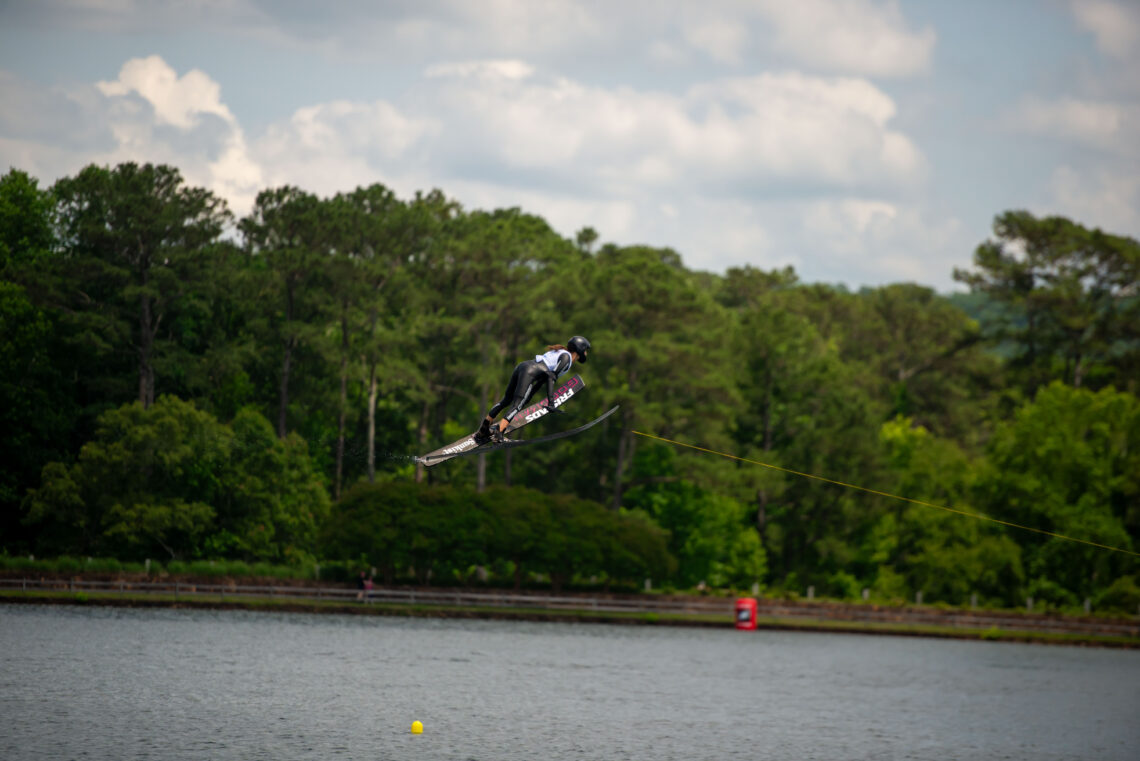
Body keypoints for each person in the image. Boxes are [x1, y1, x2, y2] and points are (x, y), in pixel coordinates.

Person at [474, 335, 591, 445]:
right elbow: (551, 377)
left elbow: (543, 379)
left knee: (506, 400)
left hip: (523, 367)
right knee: (517, 405)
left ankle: (483, 429)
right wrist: (551, 402)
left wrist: (530, 396)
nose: (586, 353)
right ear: (580, 349)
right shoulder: (567, 357)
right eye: (586, 350)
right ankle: (498, 435)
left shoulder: (561, 352)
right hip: (529, 372)